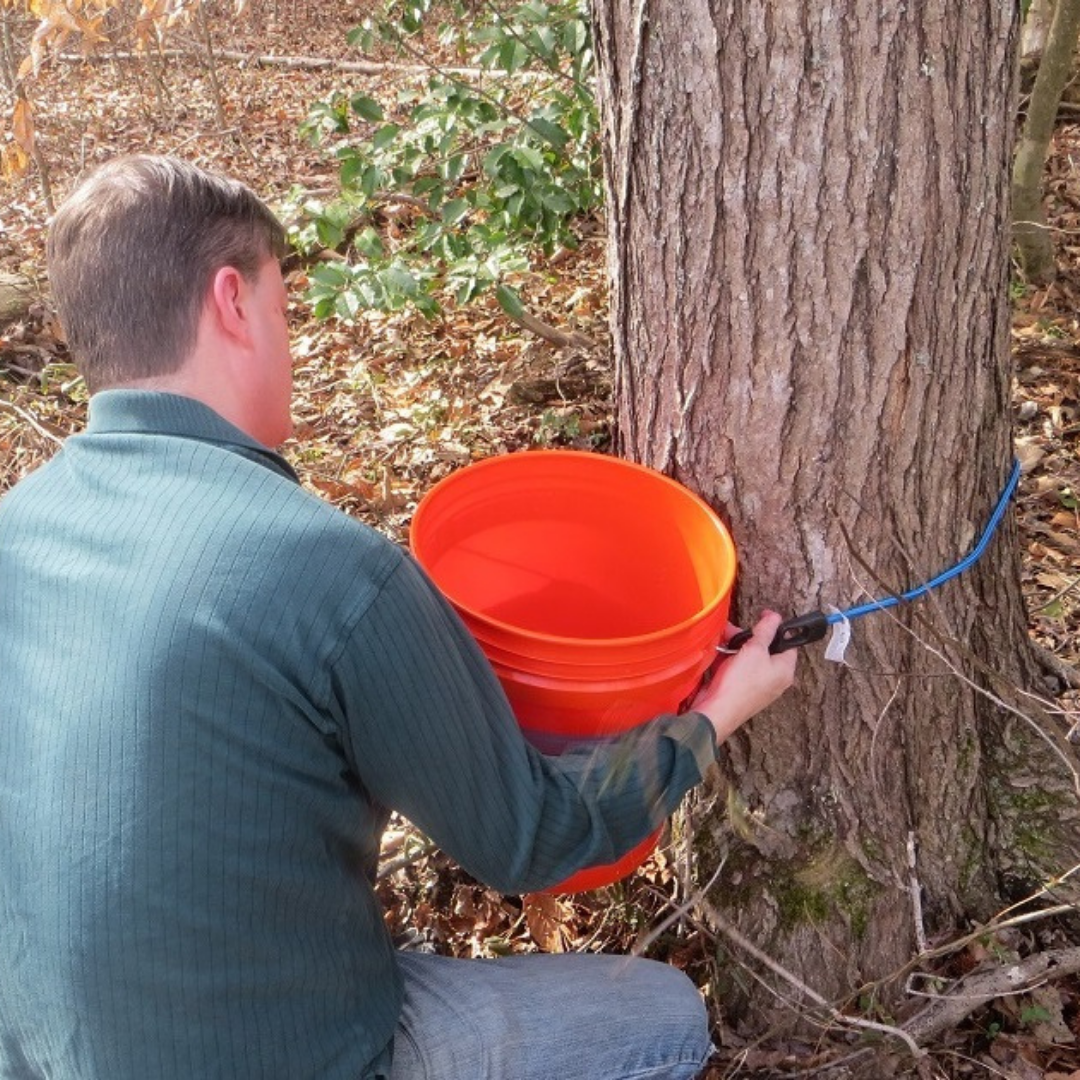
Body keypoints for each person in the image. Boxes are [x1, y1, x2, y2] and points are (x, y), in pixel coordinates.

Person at [0, 155, 797, 1080]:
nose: (288, 341)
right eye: (282, 308)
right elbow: (530, 844)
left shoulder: (14, 532)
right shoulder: (328, 567)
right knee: (663, 1018)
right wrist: (713, 716)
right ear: (231, 303)